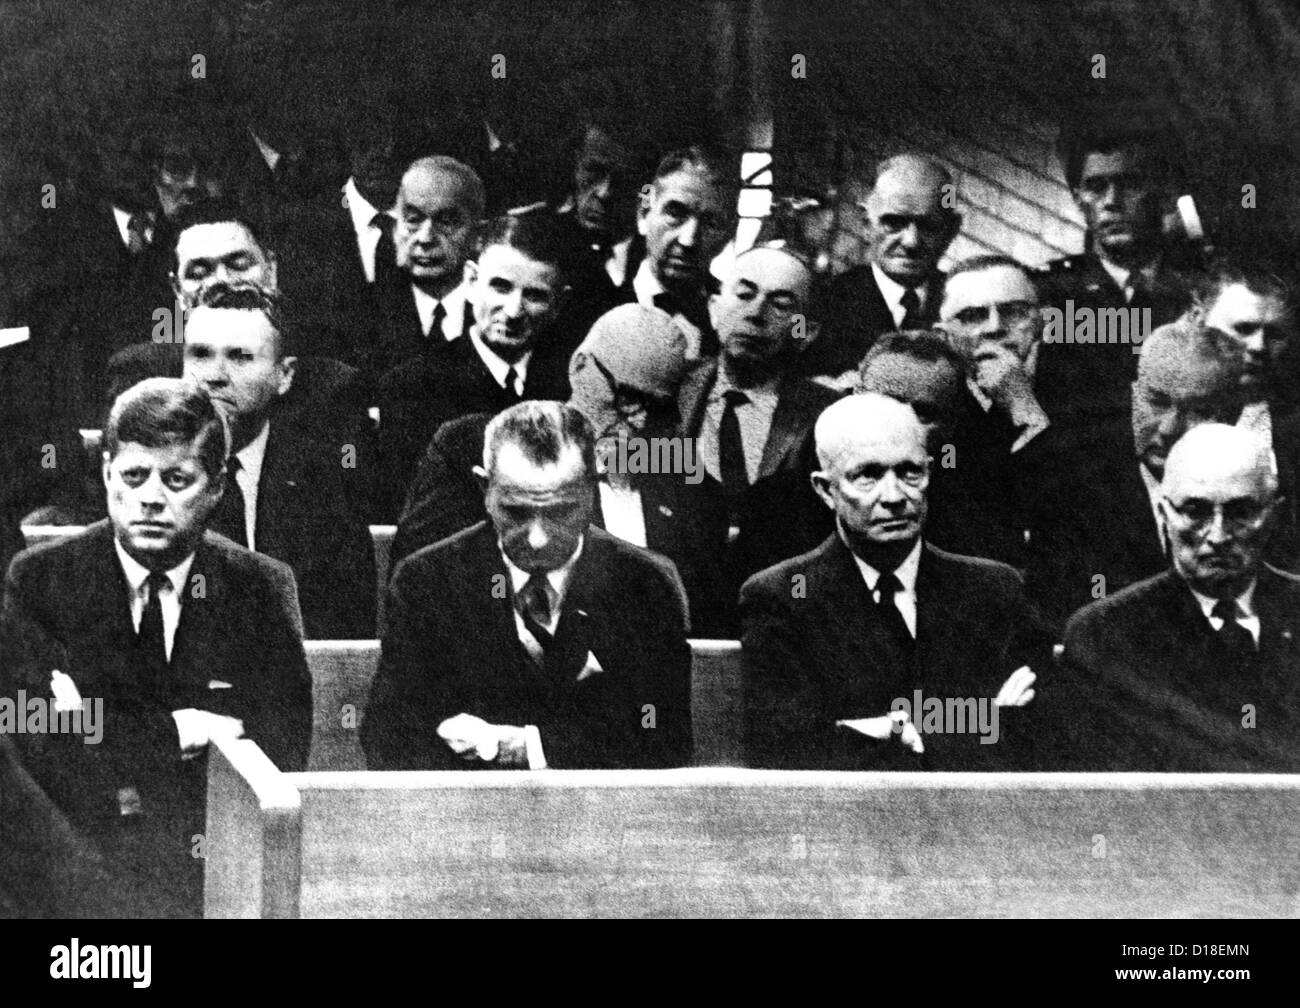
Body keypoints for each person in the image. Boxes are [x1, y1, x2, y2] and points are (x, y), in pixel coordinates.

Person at [0, 378, 311, 917]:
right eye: (134, 475)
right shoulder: (41, 579)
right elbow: (34, 736)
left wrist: (96, 725)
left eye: (176, 479)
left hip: (206, 866)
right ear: (105, 476)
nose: (151, 498)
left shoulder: (258, 589)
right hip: (74, 866)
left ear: (216, 487)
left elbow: (278, 745)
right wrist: (183, 730)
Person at [363, 400, 692, 770]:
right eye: (516, 512)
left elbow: (663, 737)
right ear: (484, 488)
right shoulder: (427, 581)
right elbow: (391, 736)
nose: (537, 538)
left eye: (561, 511)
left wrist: (525, 747)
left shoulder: (645, 584)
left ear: (592, 489)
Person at [741, 393, 1049, 771]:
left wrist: (886, 728)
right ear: (825, 489)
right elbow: (789, 750)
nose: (894, 497)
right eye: (867, 475)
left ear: (929, 473)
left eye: (909, 473)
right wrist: (983, 718)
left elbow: (1035, 738)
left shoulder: (996, 590)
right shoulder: (781, 597)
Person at [392, 304, 731, 634]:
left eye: (658, 407)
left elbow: (705, 624)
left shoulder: (681, 475)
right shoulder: (472, 448)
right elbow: (425, 590)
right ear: (580, 367)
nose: (640, 420)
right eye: (628, 397)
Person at [1054, 424, 1300, 771]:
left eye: (1241, 512)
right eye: (1195, 512)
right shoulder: (1105, 635)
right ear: (1162, 514)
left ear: (1273, 516)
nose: (1218, 535)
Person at [1023, 315, 1297, 626]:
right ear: (1135, 394)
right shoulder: (1073, 500)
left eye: (1200, 409)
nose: (1169, 428)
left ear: (1232, 415)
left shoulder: (1269, 505)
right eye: (1156, 401)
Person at [181, 288, 377, 639]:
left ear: (284, 375)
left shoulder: (324, 480)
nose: (214, 376)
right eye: (200, 355)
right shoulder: (150, 479)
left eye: (240, 357)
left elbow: (341, 629)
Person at [375, 213, 573, 517]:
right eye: (501, 287)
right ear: (470, 282)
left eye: (534, 295)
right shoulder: (413, 385)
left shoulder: (567, 388)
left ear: (558, 305)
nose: (514, 310)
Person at [678, 243, 841, 583]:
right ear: (714, 310)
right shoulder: (670, 389)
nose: (756, 313)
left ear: (805, 332)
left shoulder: (828, 416)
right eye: (743, 295)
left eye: (781, 304)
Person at [1036, 129, 1198, 425]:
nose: (1112, 200)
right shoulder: (1048, 294)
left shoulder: (1198, 292)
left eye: (1130, 184)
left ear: (1163, 194)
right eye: (1096, 187)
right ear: (1077, 199)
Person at [563, 146, 736, 358]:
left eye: (711, 223)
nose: (688, 240)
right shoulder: (582, 313)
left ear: (728, 235)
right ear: (643, 215)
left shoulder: (733, 324)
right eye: (675, 213)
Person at [801, 154, 961, 381]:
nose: (911, 242)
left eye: (928, 225)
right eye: (894, 223)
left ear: (951, 231)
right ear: (866, 225)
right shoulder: (818, 305)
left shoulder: (964, 306)